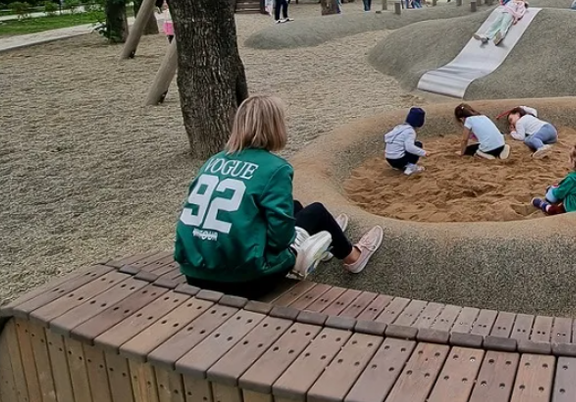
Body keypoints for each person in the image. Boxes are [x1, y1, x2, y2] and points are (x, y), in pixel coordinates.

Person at [174, 96, 385, 298]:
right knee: (317, 212)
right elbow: (281, 236)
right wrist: (293, 246)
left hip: (194, 273)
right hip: (246, 280)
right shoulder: (275, 168)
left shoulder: (214, 161)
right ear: (275, 127)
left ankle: (327, 239)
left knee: (294, 206)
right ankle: (354, 258)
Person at [533, 142, 576, 215]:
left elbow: (560, 193)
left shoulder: (571, 179)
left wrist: (553, 191)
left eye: (570, 159)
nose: (568, 161)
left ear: (574, 162)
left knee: (555, 209)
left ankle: (544, 206)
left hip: (573, 207)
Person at [384, 107, 427, 175]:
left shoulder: (399, 127)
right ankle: (409, 167)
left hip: (389, 159)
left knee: (408, 144)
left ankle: (399, 166)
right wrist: (424, 153)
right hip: (398, 160)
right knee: (418, 144)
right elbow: (410, 148)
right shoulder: (410, 131)